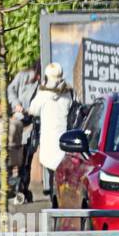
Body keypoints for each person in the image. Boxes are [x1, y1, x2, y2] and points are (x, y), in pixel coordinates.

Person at [29, 62, 74, 198]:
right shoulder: (68, 93)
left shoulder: (43, 94)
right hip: (64, 140)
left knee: (51, 175)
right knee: (64, 176)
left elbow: (32, 110)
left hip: (49, 141)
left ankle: (53, 203)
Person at [2, 60, 41, 182]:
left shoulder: (42, 83)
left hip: (32, 123)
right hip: (18, 121)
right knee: (14, 153)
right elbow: (10, 90)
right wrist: (16, 104)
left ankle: (23, 186)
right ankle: (11, 183)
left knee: (27, 157)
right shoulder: (23, 76)